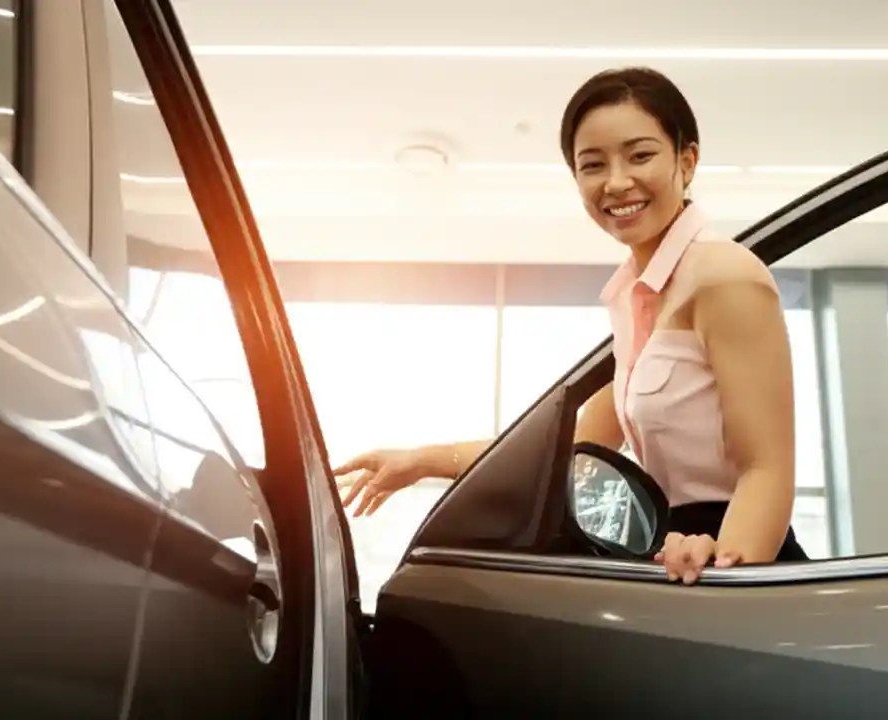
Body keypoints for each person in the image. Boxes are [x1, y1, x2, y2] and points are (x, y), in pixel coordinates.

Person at [336, 66, 807, 585]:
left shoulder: (725, 276)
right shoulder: (635, 298)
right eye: (593, 165)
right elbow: (569, 450)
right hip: (677, 558)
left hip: (734, 560)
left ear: (686, 160)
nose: (616, 182)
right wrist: (421, 461)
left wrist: (728, 580)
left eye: (640, 155)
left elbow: (767, 470)